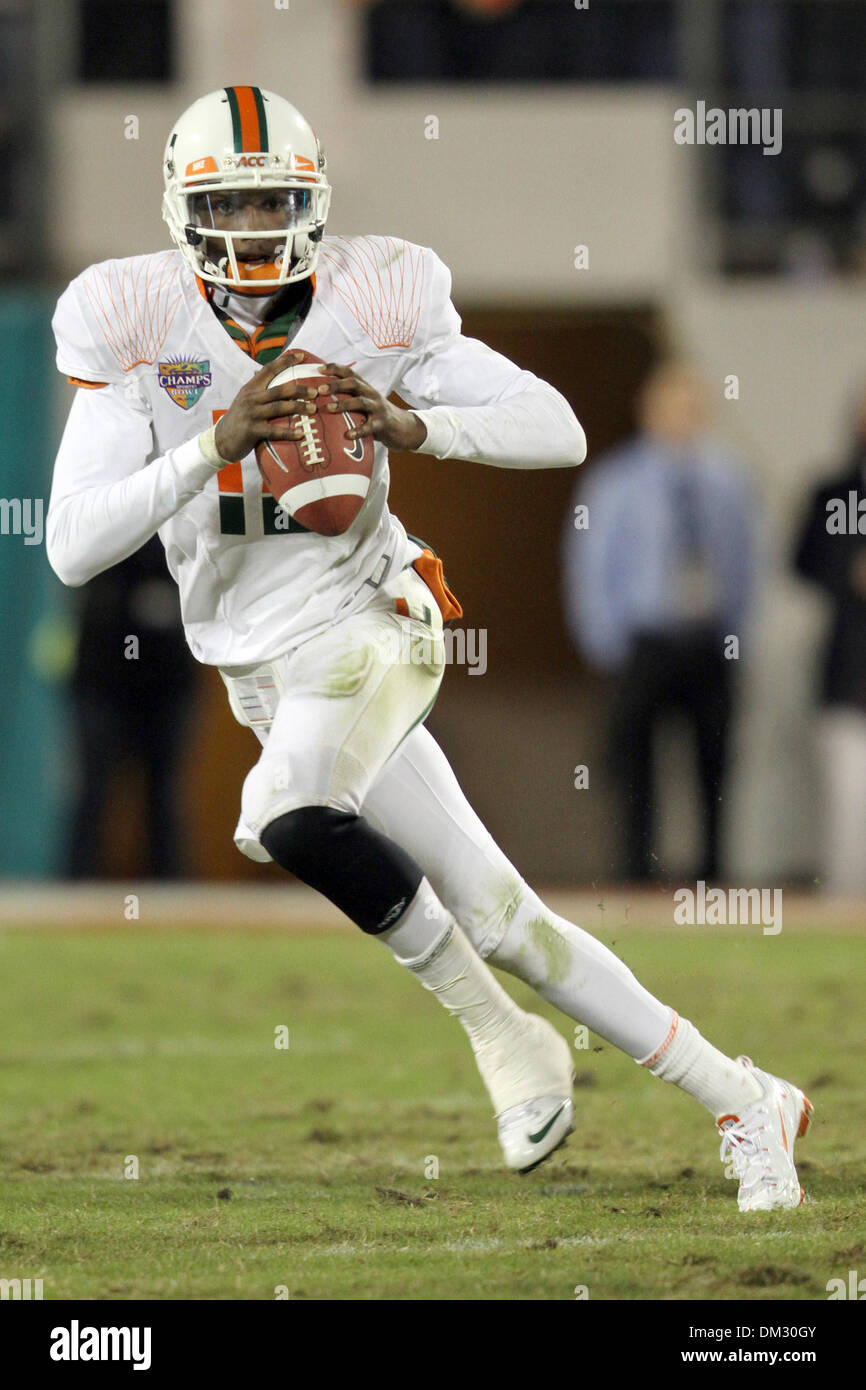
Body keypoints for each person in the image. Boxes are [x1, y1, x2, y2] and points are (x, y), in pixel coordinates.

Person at [47, 86, 809, 1209]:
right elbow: (71, 544)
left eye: (274, 203)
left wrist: (416, 424)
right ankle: (744, 1095)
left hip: (372, 622)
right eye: (234, 205)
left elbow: (558, 424)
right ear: (182, 207)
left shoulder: (378, 288)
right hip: (261, 668)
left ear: (311, 202)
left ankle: (499, 1038)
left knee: (285, 811)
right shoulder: (129, 315)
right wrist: (215, 441)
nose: (256, 228)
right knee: (503, 916)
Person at [563, 362, 756, 882]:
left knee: (714, 767)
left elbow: (742, 563)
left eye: (691, 407)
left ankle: (712, 878)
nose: (682, 418)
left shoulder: (728, 480)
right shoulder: (616, 481)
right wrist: (604, 640)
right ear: (648, 411)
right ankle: (636, 877)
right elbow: (590, 563)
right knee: (634, 771)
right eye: (672, 407)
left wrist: (737, 636)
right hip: (642, 644)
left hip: (707, 641)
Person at [794, 383, 866, 893]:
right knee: (849, 799)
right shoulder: (833, 494)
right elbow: (802, 560)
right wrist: (850, 572)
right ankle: (845, 906)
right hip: (850, 673)